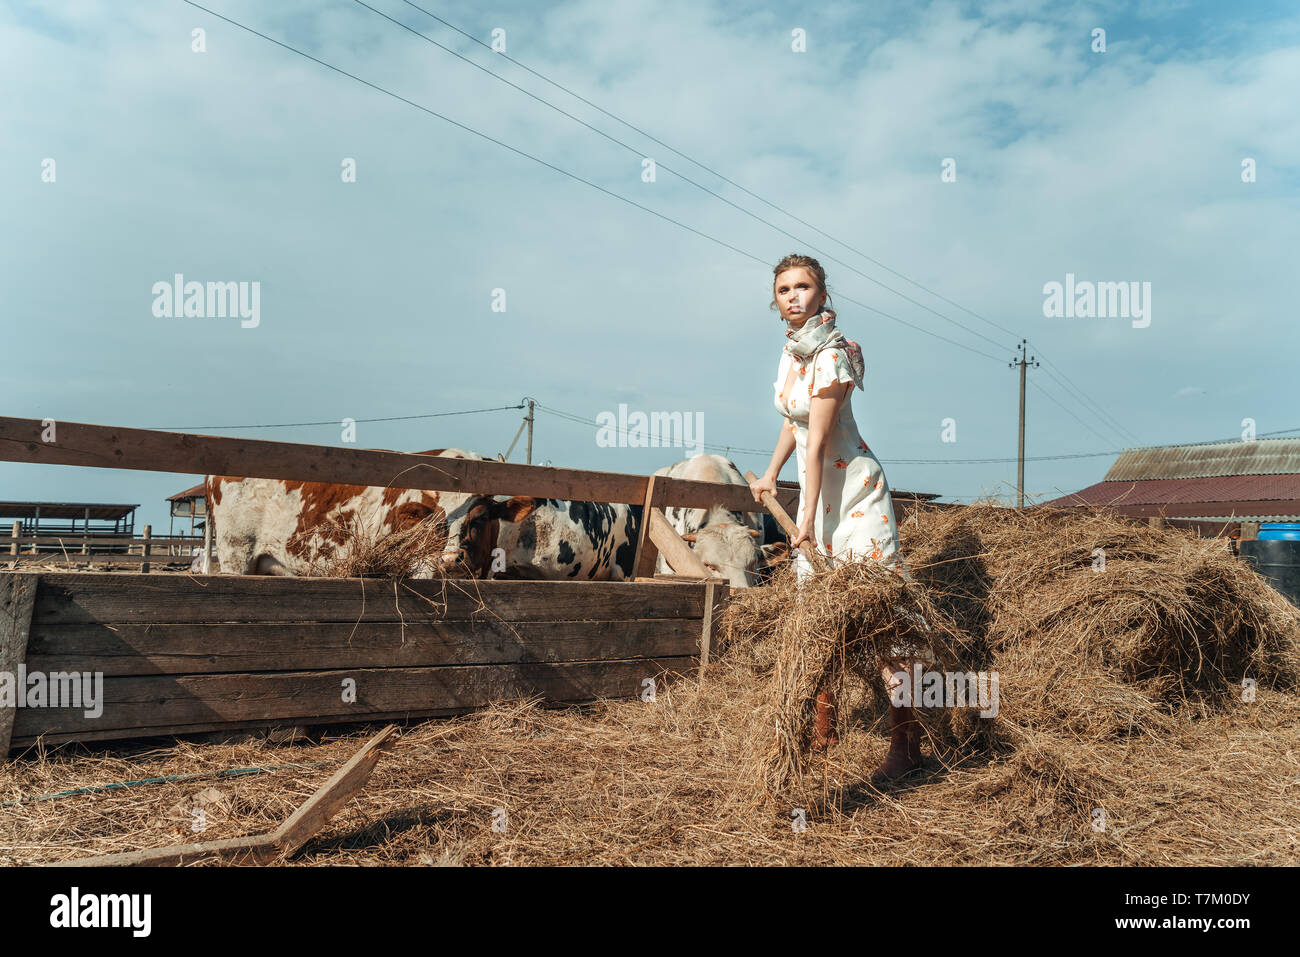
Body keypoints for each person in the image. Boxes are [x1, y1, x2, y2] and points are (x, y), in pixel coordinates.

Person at [748, 253, 930, 787]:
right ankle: (823, 730)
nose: (794, 296)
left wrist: (801, 515)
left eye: (804, 287)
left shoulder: (830, 355)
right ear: (776, 299)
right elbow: (794, 422)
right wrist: (767, 473)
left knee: (884, 619)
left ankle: (907, 745)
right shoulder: (790, 354)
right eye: (784, 289)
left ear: (823, 295)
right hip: (815, 503)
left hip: (853, 496)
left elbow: (823, 438)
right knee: (816, 615)